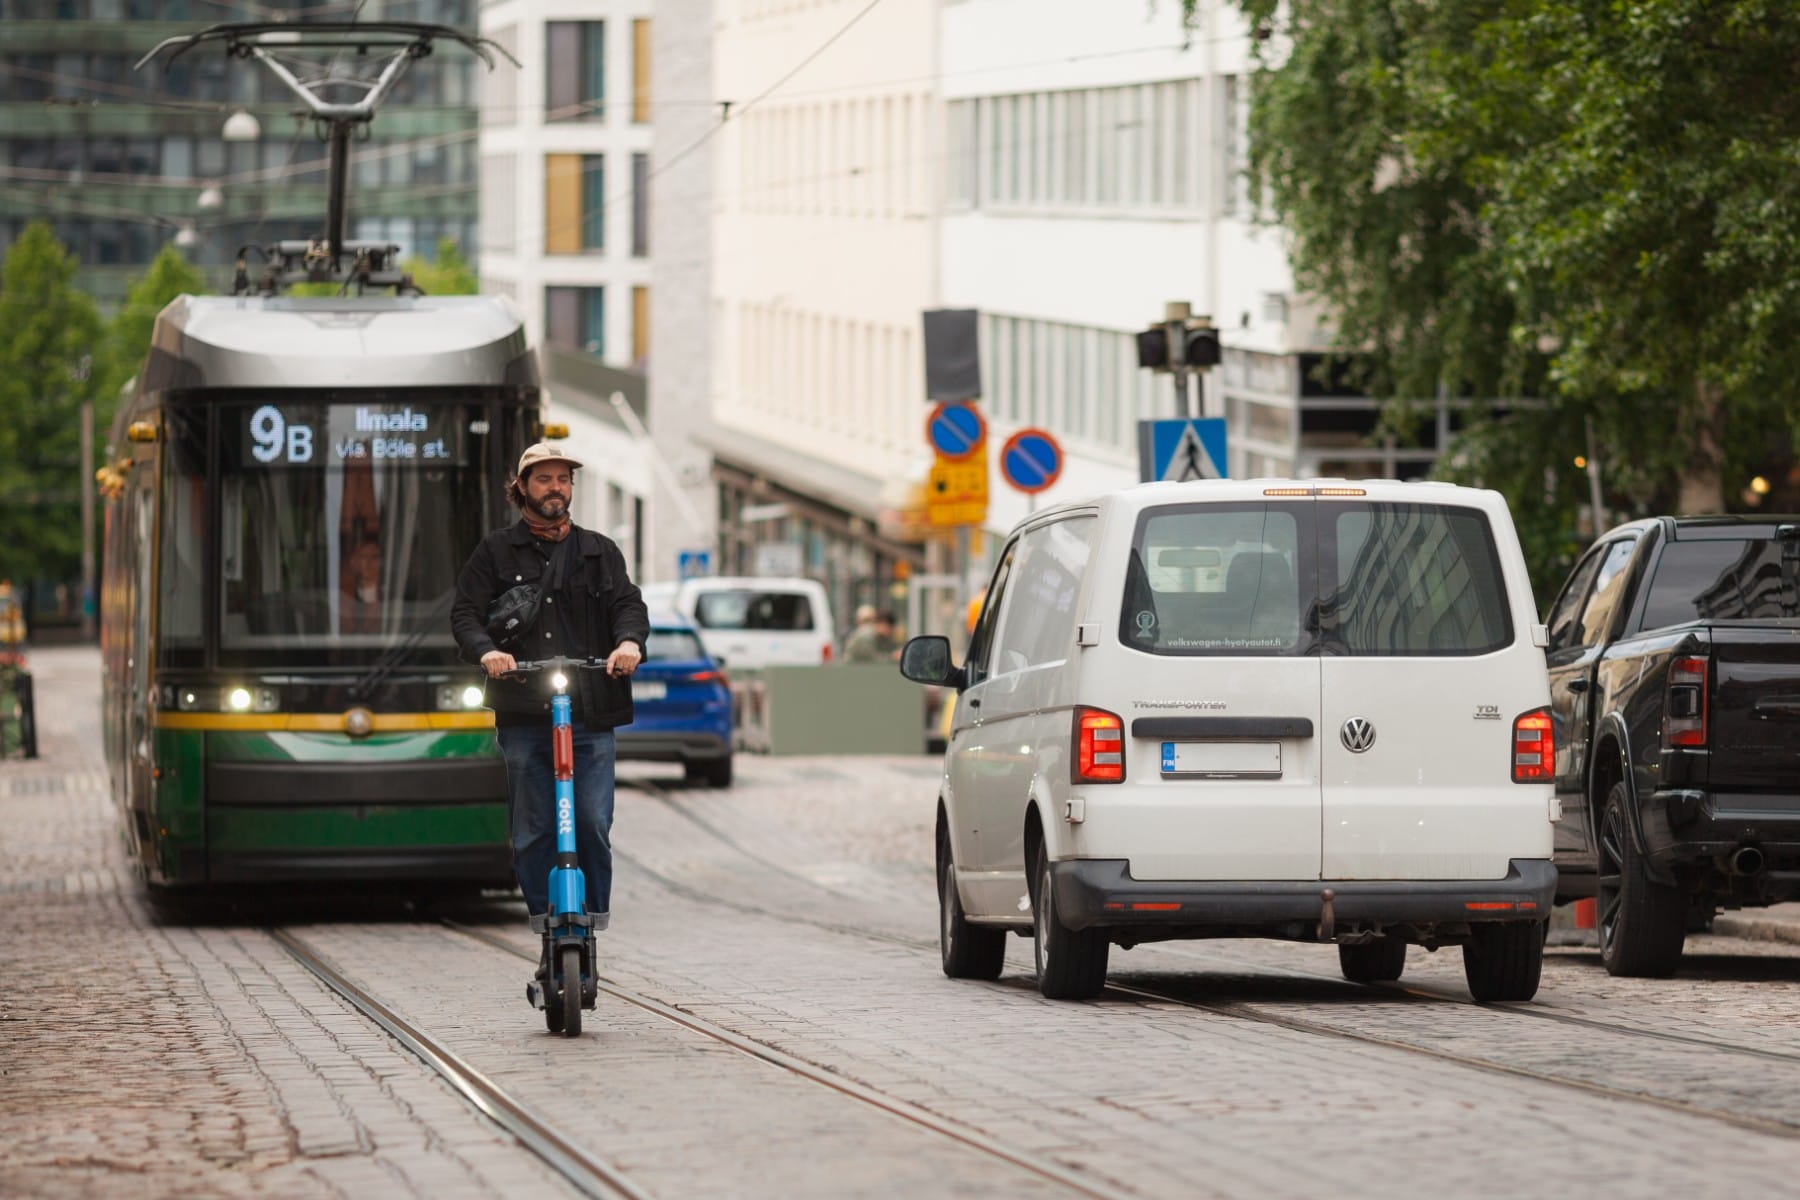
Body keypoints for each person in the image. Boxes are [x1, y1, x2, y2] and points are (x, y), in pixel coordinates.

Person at [451, 443, 650, 935]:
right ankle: (545, 919)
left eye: (563, 479)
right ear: (522, 487)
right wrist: (487, 652)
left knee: (591, 822)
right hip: (524, 711)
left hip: (590, 709)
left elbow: (628, 604)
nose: (555, 488)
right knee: (533, 829)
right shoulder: (495, 551)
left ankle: (592, 916)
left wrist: (628, 642)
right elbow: (465, 613)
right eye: (544, 479)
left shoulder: (599, 551)